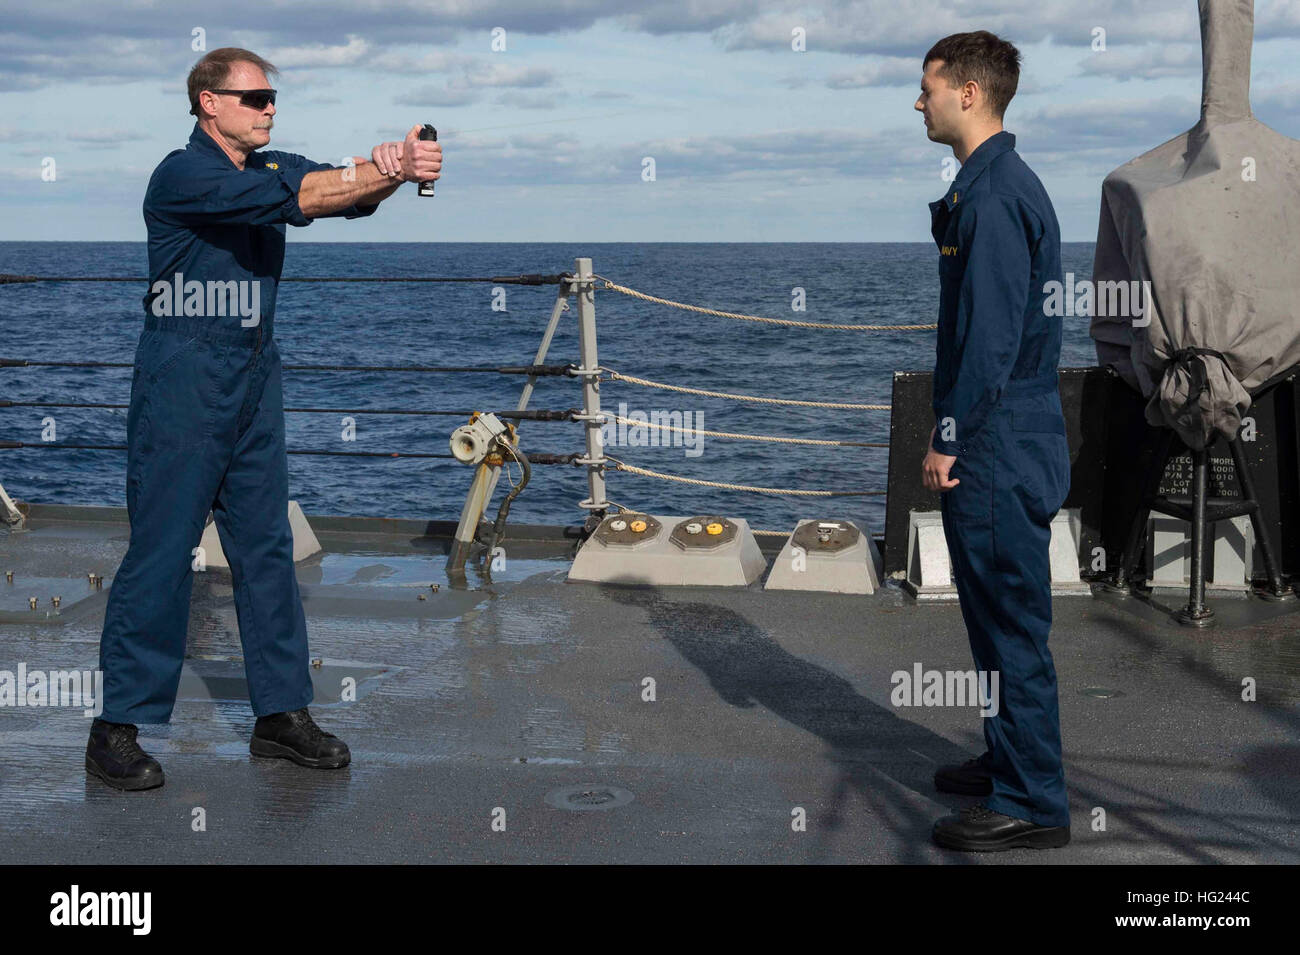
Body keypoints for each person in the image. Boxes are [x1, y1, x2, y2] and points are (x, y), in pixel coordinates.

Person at [87, 47, 443, 790]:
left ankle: (280, 715)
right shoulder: (183, 175)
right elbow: (310, 197)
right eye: (253, 98)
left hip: (253, 374)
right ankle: (116, 726)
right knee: (161, 552)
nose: (269, 107)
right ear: (208, 102)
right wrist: (393, 168)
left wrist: (389, 165)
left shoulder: (271, 164)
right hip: (184, 374)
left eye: (272, 96)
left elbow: (333, 189)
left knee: (266, 549)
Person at [914, 31, 1072, 849]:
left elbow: (991, 338)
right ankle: (1009, 756)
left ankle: (1032, 801)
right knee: (991, 617)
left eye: (928, 86)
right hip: (1006, 434)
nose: (919, 100)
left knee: (1012, 623)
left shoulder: (994, 195)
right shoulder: (995, 185)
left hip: (998, 439)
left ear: (969, 93)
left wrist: (946, 435)